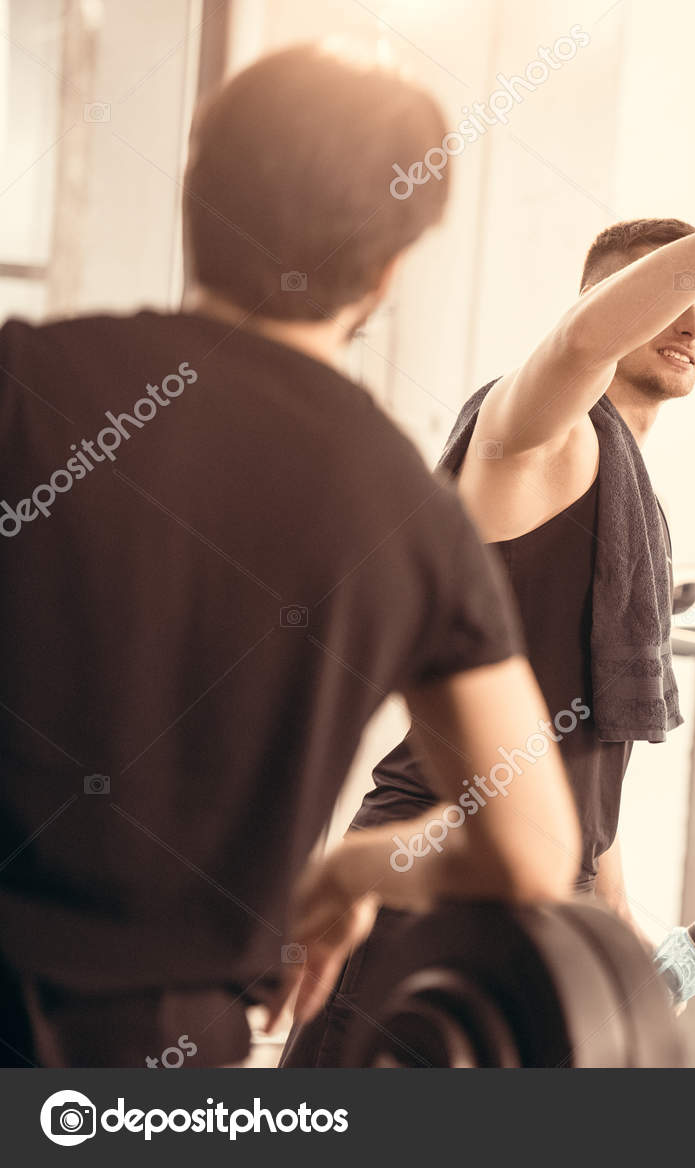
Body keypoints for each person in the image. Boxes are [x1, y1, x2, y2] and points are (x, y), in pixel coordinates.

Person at [0, 45, 580, 1068]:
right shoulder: (409, 510)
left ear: (194, 194)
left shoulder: (23, 383)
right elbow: (533, 847)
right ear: (395, 264)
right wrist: (353, 870)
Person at [279, 100, 695, 1067]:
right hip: (432, 856)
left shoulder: (634, 500)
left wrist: (609, 895)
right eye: (673, 295)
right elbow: (579, 350)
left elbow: (591, 727)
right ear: (598, 307)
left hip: (546, 866)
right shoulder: (530, 433)